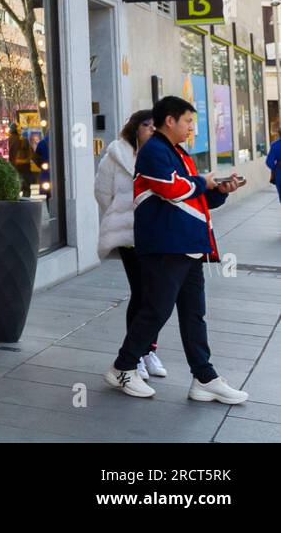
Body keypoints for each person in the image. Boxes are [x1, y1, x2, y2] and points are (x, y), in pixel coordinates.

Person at [104, 96, 248, 403]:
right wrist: (203, 182)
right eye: (187, 122)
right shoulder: (153, 150)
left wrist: (218, 191)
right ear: (169, 120)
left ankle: (204, 377)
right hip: (165, 246)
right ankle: (123, 367)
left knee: (194, 314)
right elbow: (171, 188)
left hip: (187, 245)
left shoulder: (178, 153)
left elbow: (191, 196)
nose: (191, 128)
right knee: (156, 310)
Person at [95, 110, 166, 380]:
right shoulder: (117, 155)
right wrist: (119, 215)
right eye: (147, 125)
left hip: (157, 234)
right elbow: (102, 191)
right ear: (135, 128)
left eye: (154, 126)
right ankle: (133, 355)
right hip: (129, 235)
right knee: (141, 292)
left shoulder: (162, 154)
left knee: (157, 296)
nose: (151, 130)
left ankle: (148, 351)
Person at [8, 123, 33, 197]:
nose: (20, 129)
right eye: (19, 128)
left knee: (17, 182)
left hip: (15, 164)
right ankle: (25, 198)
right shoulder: (22, 139)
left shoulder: (11, 138)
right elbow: (30, 152)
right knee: (26, 184)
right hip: (24, 164)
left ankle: (17, 196)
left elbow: (11, 153)